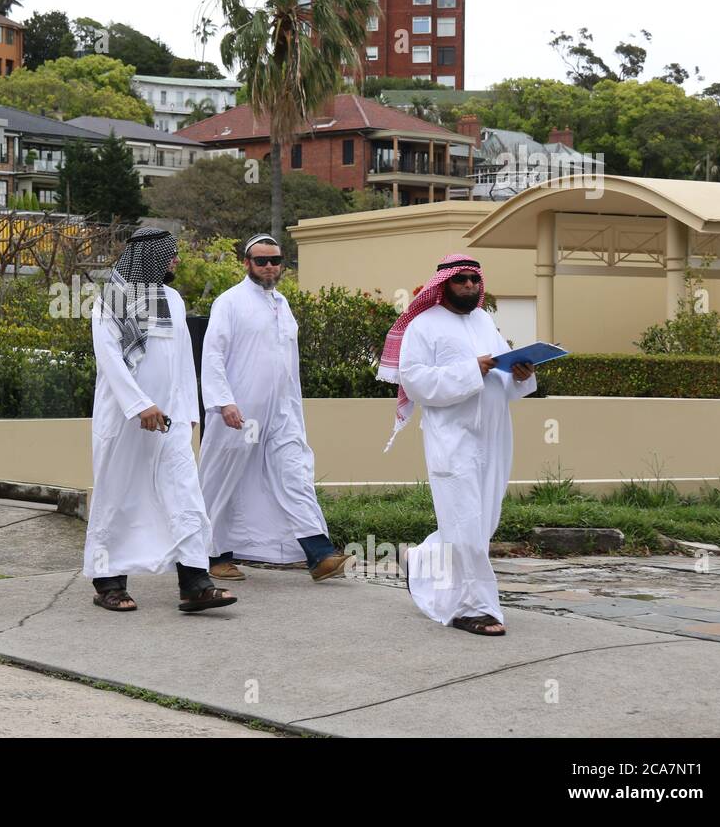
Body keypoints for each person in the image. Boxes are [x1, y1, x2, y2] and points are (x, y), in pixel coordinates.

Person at [377, 255, 536, 637]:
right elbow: (415, 382)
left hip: (495, 436)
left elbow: (502, 374)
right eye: (461, 279)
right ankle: (473, 608)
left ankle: (421, 560)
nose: (469, 285)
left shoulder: (483, 321)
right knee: (464, 520)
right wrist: (472, 369)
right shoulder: (423, 325)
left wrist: (520, 374)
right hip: (453, 438)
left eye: (474, 280)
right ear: (444, 283)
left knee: (482, 522)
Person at [85, 227, 234, 613]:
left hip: (172, 423)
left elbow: (184, 362)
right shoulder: (111, 301)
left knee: (185, 495)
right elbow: (110, 360)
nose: (176, 261)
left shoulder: (174, 299)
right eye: (170, 254)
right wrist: (139, 405)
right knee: (119, 497)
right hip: (124, 422)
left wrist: (188, 414)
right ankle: (109, 583)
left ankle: (195, 583)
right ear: (149, 257)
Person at [199, 233, 352, 583]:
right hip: (240, 413)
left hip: (282, 413)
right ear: (247, 263)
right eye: (261, 261)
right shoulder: (229, 302)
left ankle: (319, 554)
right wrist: (223, 401)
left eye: (275, 261)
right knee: (224, 480)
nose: (269, 267)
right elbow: (213, 354)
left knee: (293, 473)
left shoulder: (282, 303)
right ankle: (212, 555)